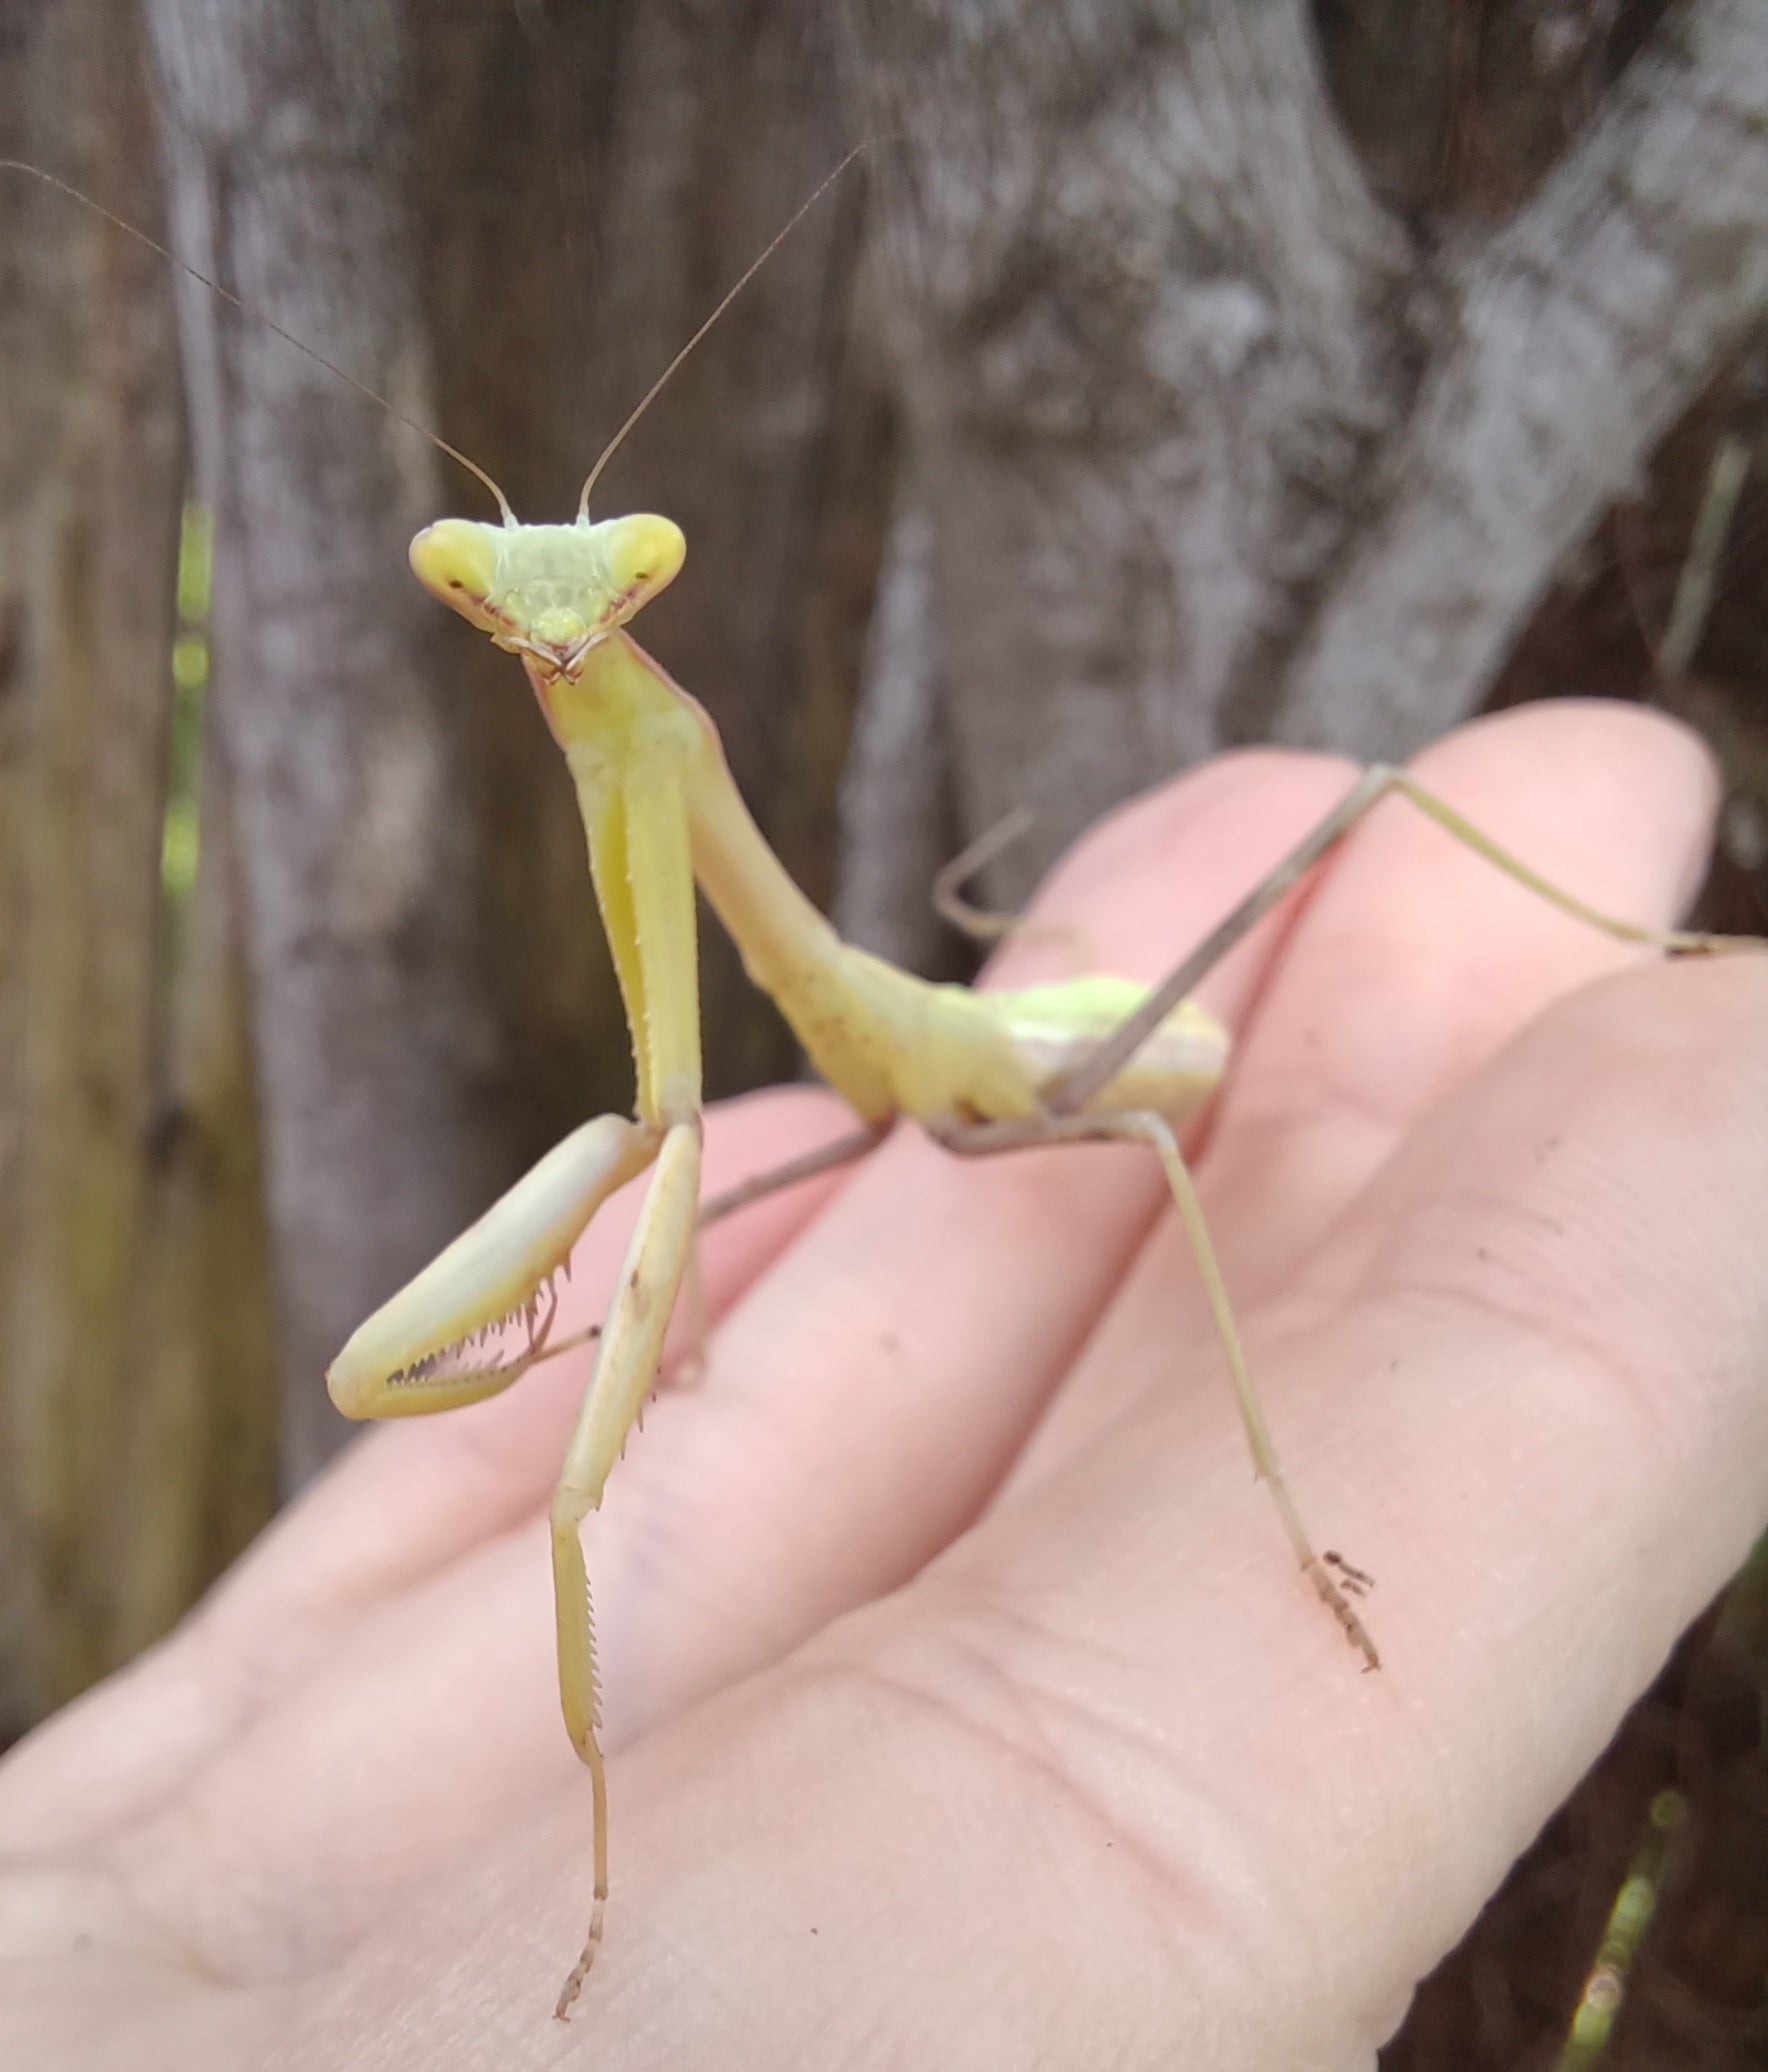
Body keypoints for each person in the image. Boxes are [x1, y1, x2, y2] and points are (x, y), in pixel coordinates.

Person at [1, 703, 1762, 2069]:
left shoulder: (666, 749)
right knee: (702, 1204)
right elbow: (677, 1120)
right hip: (944, 1043)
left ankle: (1293, 1509)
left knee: (1351, 819)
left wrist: (1300, 1526)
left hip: (1101, 1065)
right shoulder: (634, 759)